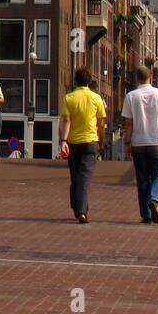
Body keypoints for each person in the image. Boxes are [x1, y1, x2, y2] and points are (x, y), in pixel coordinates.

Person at [121, 64, 158, 223]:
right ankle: (155, 199)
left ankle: (145, 214)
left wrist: (127, 143)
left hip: (138, 142)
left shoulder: (131, 96)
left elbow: (129, 123)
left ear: (137, 78)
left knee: (142, 177)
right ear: (151, 76)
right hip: (157, 141)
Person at [59, 67, 106, 223]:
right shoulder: (96, 98)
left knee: (76, 177)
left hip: (74, 142)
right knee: (84, 178)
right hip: (91, 141)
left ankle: (78, 207)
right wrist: (102, 139)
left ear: (75, 80)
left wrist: (63, 141)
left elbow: (66, 120)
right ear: (89, 81)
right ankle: (81, 211)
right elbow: (101, 123)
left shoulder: (69, 98)